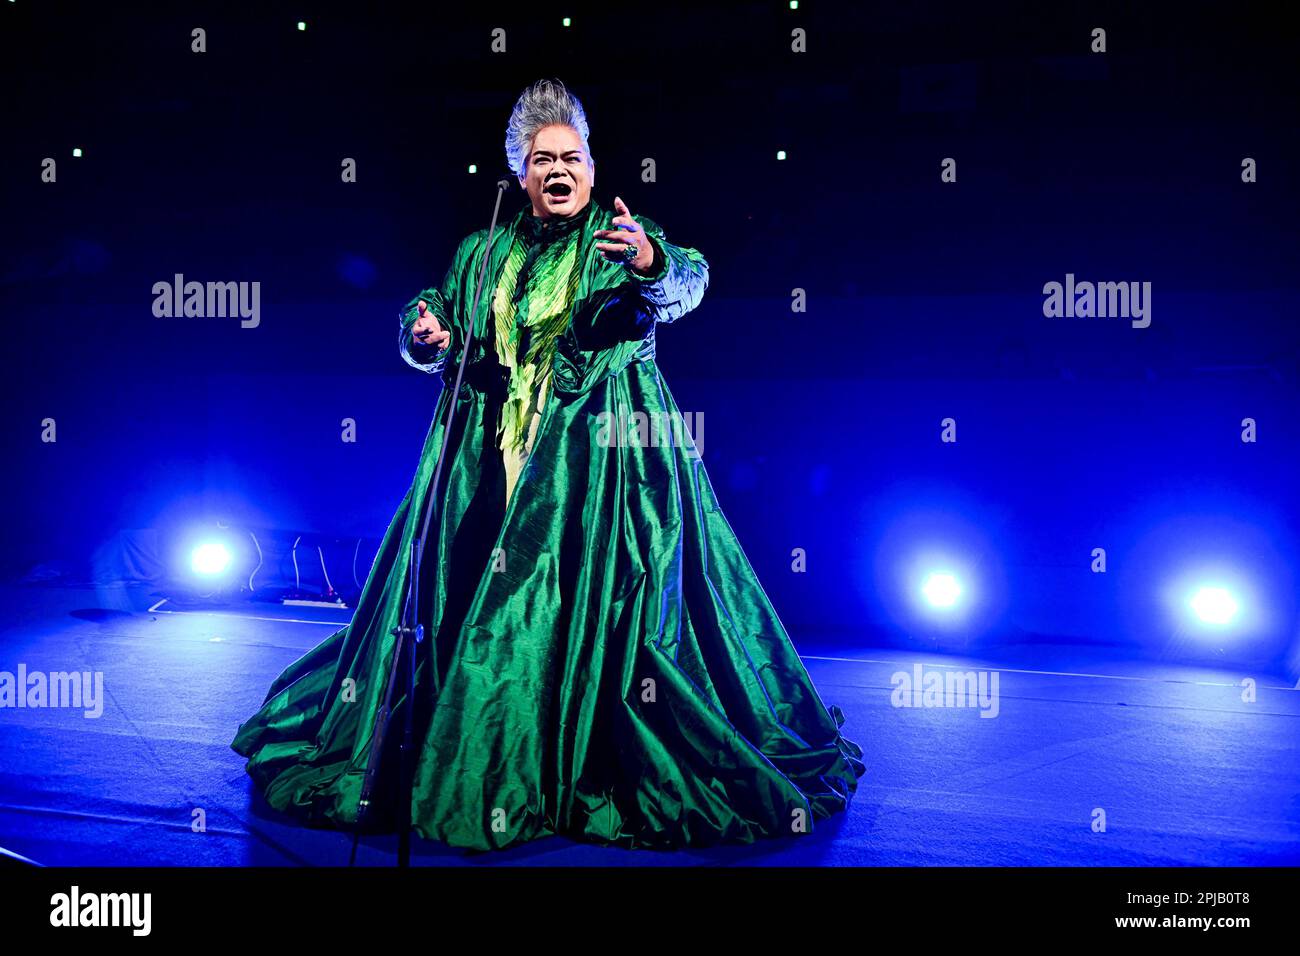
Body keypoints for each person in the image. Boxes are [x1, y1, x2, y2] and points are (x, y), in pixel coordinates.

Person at [231, 78, 865, 851]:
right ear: (521, 175)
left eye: (571, 157)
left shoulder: (616, 237)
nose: (557, 170)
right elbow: (435, 323)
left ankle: (564, 768)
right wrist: (422, 336)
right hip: (492, 463)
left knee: (584, 615)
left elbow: (687, 279)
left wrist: (649, 258)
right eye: (541, 160)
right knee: (484, 606)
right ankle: (486, 754)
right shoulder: (483, 250)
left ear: (592, 170)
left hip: (602, 479)